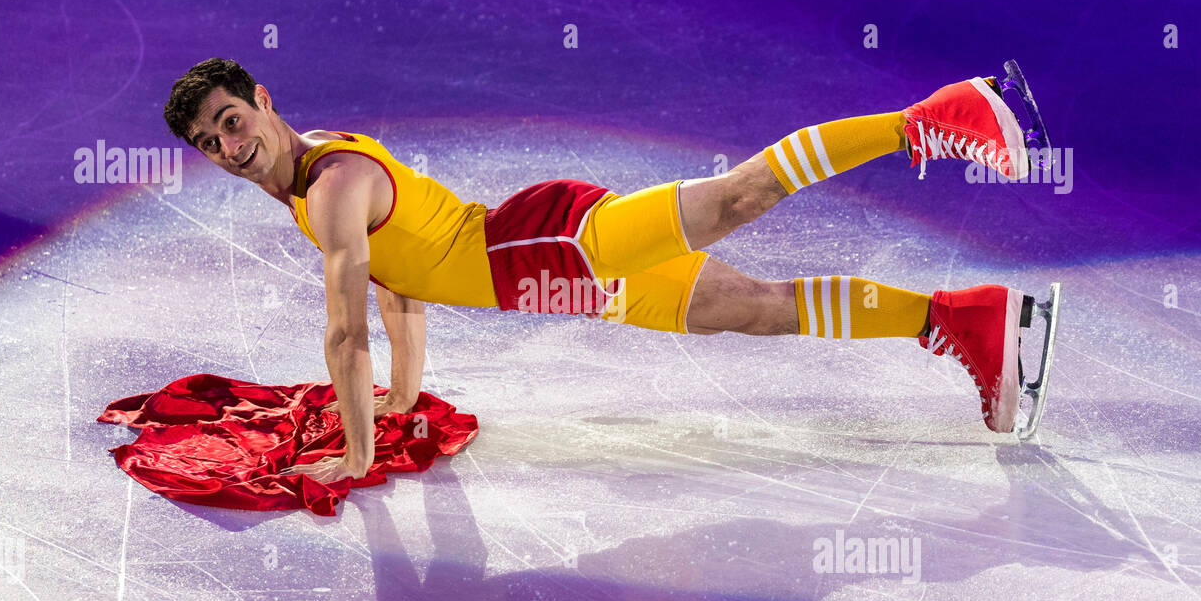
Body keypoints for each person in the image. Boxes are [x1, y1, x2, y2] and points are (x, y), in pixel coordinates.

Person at [163, 57, 1056, 483]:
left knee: (739, 197)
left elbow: (347, 326)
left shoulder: (328, 189)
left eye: (232, 121)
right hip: (552, 269)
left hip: (555, 246)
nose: (228, 147)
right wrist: (401, 399)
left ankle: (936, 115)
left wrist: (356, 456)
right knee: (748, 308)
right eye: (209, 143)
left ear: (264, 102)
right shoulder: (312, 175)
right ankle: (960, 319)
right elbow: (403, 289)